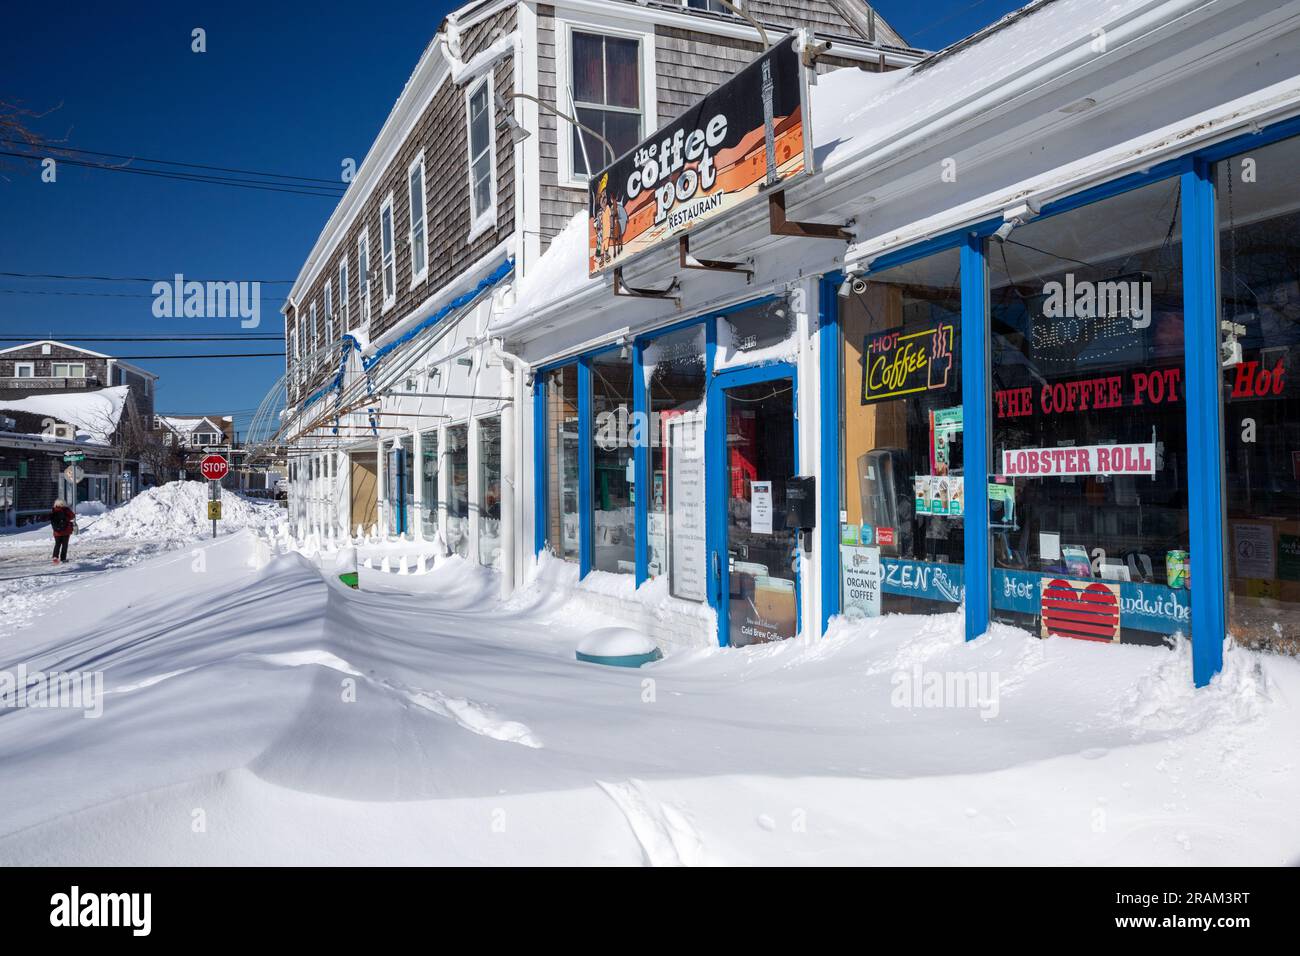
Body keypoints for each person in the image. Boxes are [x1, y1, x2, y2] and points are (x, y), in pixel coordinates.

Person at [50, 498, 76, 564]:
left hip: (57, 532)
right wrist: (67, 519)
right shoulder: (66, 509)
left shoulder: (54, 510)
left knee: (57, 544)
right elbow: (72, 516)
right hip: (66, 531)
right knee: (64, 545)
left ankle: (55, 557)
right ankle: (63, 558)